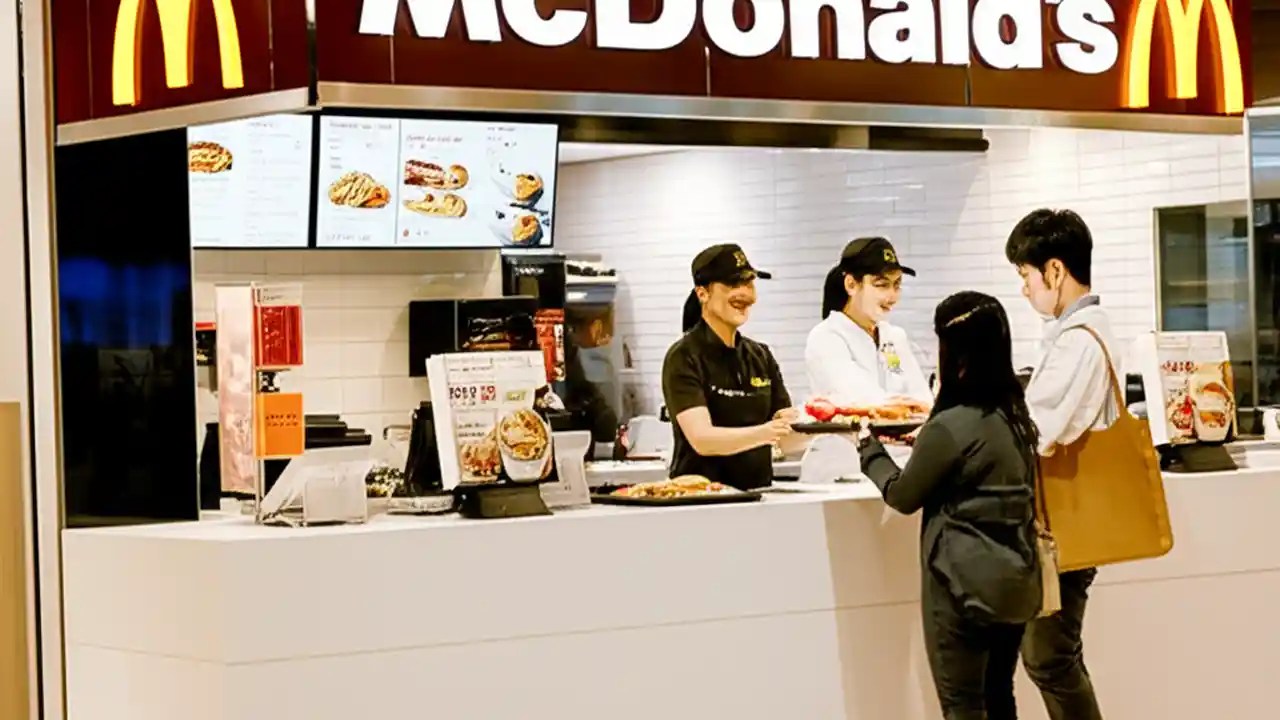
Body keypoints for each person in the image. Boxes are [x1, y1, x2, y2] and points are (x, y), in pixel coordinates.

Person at [858, 291, 1043, 720]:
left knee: (962, 707)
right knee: (1000, 696)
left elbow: (903, 495)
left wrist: (869, 451)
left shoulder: (950, 425)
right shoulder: (1015, 419)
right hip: (1015, 584)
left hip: (959, 586)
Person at [1005, 208, 1113, 720]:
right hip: (1066, 525)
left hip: (1064, 527)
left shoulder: (1079, 341)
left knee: (1049, 656)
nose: (1024, 289)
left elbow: (1036, 430)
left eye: (1024, 275)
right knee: (1051, 655)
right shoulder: (1077, 333)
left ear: (1053, 271)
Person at [662, 244, 804, 490]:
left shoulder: (760, 355)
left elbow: (786, 441)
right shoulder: (683, 356)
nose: (744, 294)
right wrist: (767, 432)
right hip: (700, 500)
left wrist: (830, 426)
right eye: (733, 284)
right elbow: (703, 439)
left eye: (749, 284)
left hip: (759, 496)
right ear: (703, 293)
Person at [805, 236, 931, 406]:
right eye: (881, 285)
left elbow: (923, 398)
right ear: (851, 285)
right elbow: (859, 401)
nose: (892, 296)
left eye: (897, 285)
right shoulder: (826, 337)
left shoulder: (894, 336)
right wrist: (903, 406)